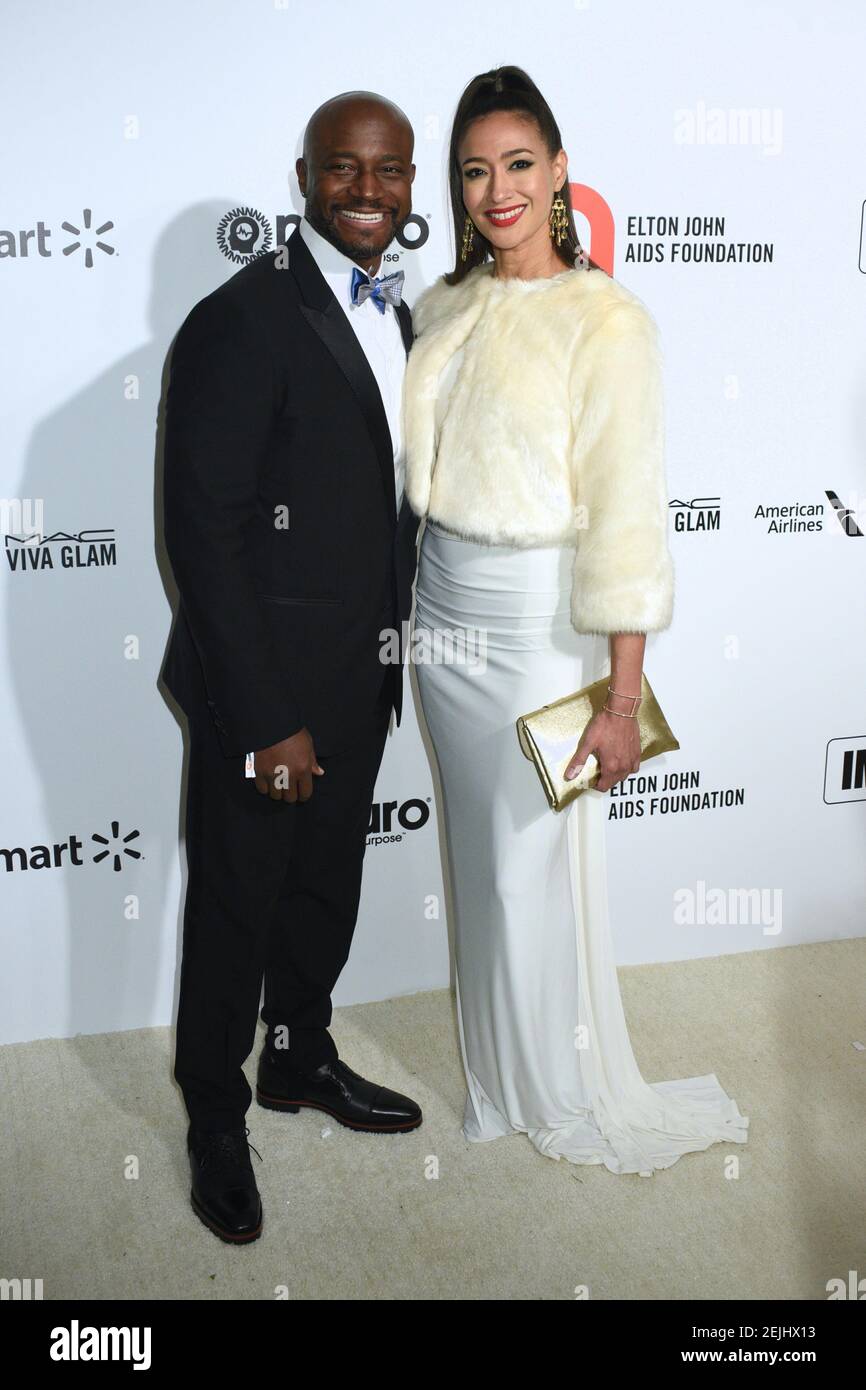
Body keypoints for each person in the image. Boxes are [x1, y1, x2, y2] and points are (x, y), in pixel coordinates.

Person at [403, 66, 749, 1177]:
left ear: (558, 173)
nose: (495, 189)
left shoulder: (606, 320)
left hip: (533, 626)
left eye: (516, 163)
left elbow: (625, 525)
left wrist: (618, 698)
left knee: (521, 868)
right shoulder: (443, 307)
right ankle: (499, 1077)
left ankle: (549, 1083)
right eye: (473, 169)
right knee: (478, 862)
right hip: (440, 615)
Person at [160, 91, 422, 1243]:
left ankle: (296, 1058)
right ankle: (214, 1114)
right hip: (261, 691)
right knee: (234, 904)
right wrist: (266, 714)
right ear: (304, 175)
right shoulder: (242, 315)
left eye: (388, 170)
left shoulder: (403, 316)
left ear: (409, 182)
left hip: (361, 672)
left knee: (324, 888)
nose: (366, 191)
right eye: (342, 169)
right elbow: (202, 528)